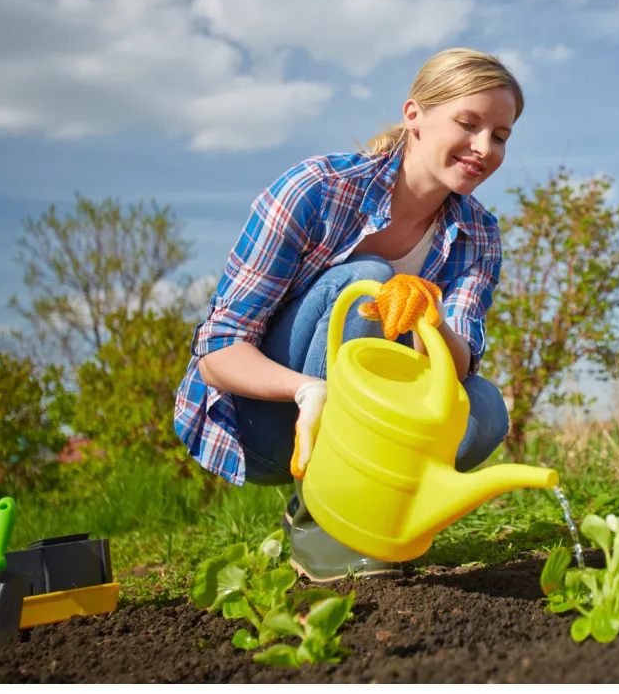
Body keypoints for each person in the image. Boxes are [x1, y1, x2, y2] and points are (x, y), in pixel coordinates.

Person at [174, 48, 522, 582]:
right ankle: (322, 522)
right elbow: (217, 353)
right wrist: (310, 390)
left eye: (499, 136)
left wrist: (430, 315)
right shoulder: (316, 190)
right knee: (366, 282)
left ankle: (367, 508)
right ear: (414, 115)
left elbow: (456, 369)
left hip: (370, 424)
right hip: (273, 422)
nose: (483, 148)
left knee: (485, 410)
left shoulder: (479, 235)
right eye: (468, 124)